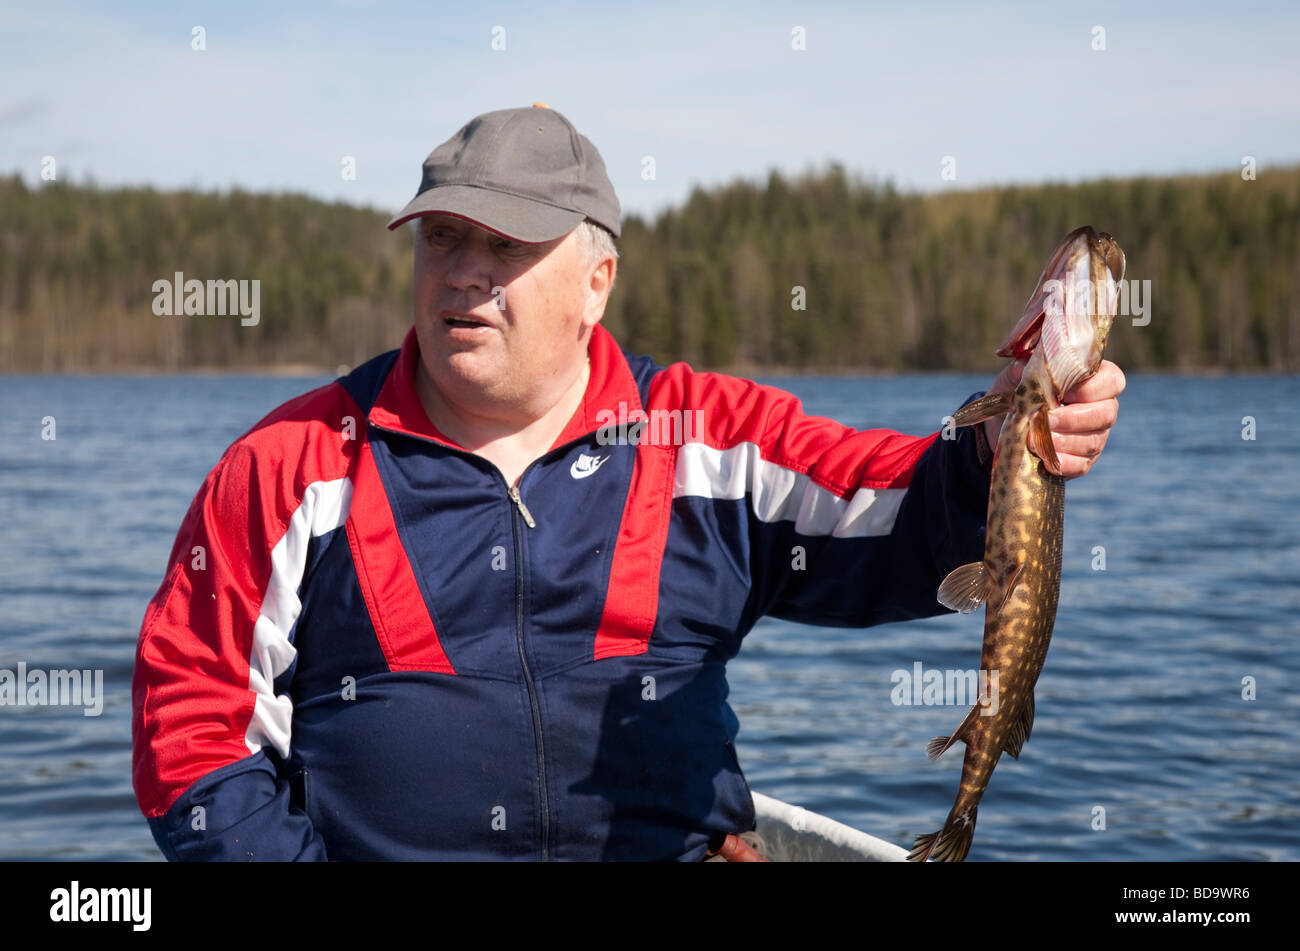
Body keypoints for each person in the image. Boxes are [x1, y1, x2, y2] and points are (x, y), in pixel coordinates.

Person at [130, 105, 1124, 861]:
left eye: (509, 246)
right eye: (444, 238)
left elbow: (903, 518)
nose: (465, 273)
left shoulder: (710, 437)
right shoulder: (290, 464)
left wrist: (1000, 450)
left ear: (596, 279)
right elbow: (188, 718)